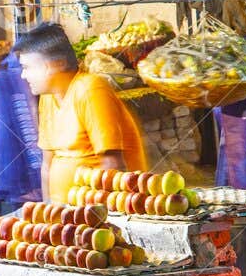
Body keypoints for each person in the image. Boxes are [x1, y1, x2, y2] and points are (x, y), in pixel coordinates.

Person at [13, 22, 146, 205]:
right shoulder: (48, 97)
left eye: (28, 67)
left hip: (95, 214)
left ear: (56, 64)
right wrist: (48, 212)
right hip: (65, 216)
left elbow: (113, 165)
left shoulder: (90, 90)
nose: (23, 75)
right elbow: (47, 165)